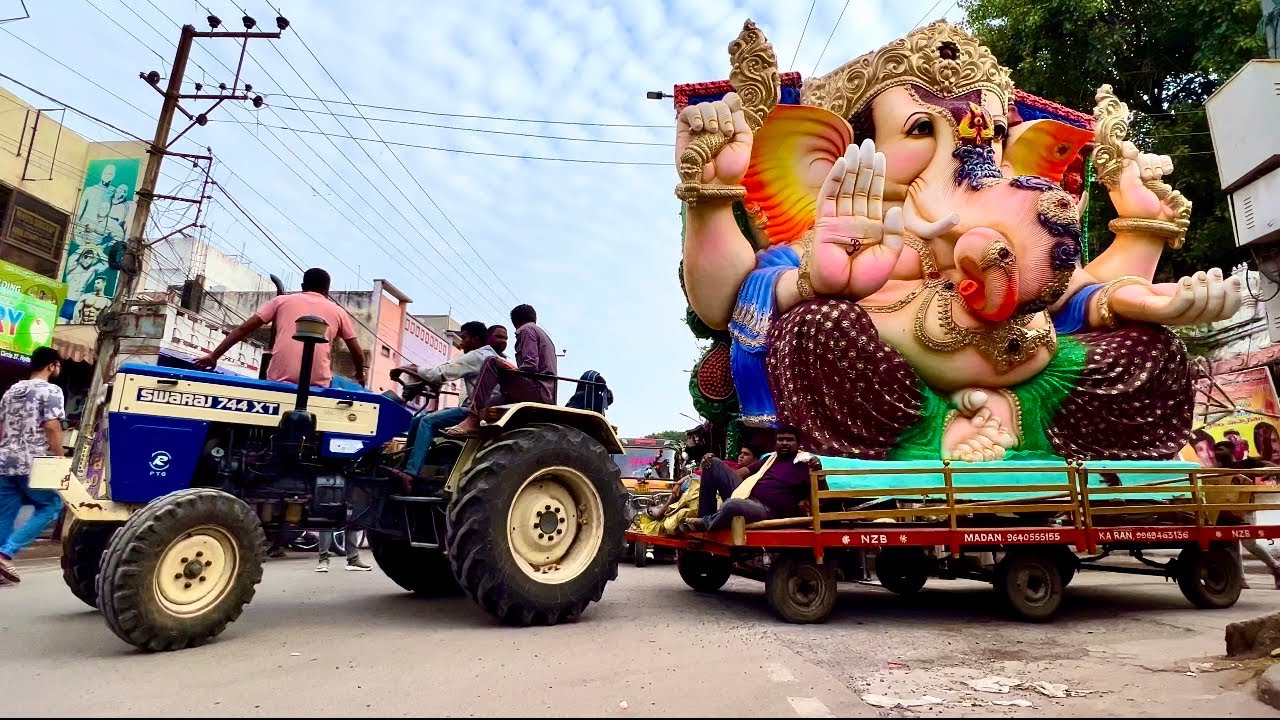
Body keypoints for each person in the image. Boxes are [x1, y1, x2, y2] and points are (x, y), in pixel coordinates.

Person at [196, 268, 366, 390]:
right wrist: (360, 375)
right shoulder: (338, 312)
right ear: (327, 290)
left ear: (302, 286)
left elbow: (243, 329)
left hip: (278, 381)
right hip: (317, 385)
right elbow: (357, 352)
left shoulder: (281, 301)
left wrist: (213, 356)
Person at [395, 321, 499, 480]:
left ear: (476, 339)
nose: (462, 343)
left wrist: (406, 368)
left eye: (464, 338)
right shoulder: (490, 355)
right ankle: (403, 466)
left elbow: (438, 374)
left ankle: (410, 474)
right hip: (478, 407)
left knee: (427, 421)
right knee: (417, 421)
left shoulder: (476, 356)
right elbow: (441, 374)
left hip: (476, 411)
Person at [0, 347, 65, 584]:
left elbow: (3, 427)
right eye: (58, 365)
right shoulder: (51, 390)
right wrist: (60, 460)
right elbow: (52, 427)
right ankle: (6, 554)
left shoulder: (10, 391)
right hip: (33, 463)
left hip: (5, 462)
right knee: (51, 505)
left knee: (5, 514)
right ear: (51, 366)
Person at [681, 426, 822, 532]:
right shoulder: (770, 459)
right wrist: (711, 469)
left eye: (789, 440)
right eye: (780, 439)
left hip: (768, 510)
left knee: (731, 505)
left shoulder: (805, 463)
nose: (784, 443)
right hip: (747, 496)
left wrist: (818, 471)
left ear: (798, 444)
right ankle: (704, 518)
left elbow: (821, 495)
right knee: (713, 463)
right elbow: (739, 474)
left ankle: (706, 523)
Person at [444, 304, 557, 437]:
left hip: (538, 390)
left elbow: (531, 364)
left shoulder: (526, 329)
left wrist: (512, 369)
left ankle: (473, 419)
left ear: (514, 321)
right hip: (546, 392)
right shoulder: (542, 334)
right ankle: (480, 418)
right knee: (497, 395)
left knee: (492, 362)